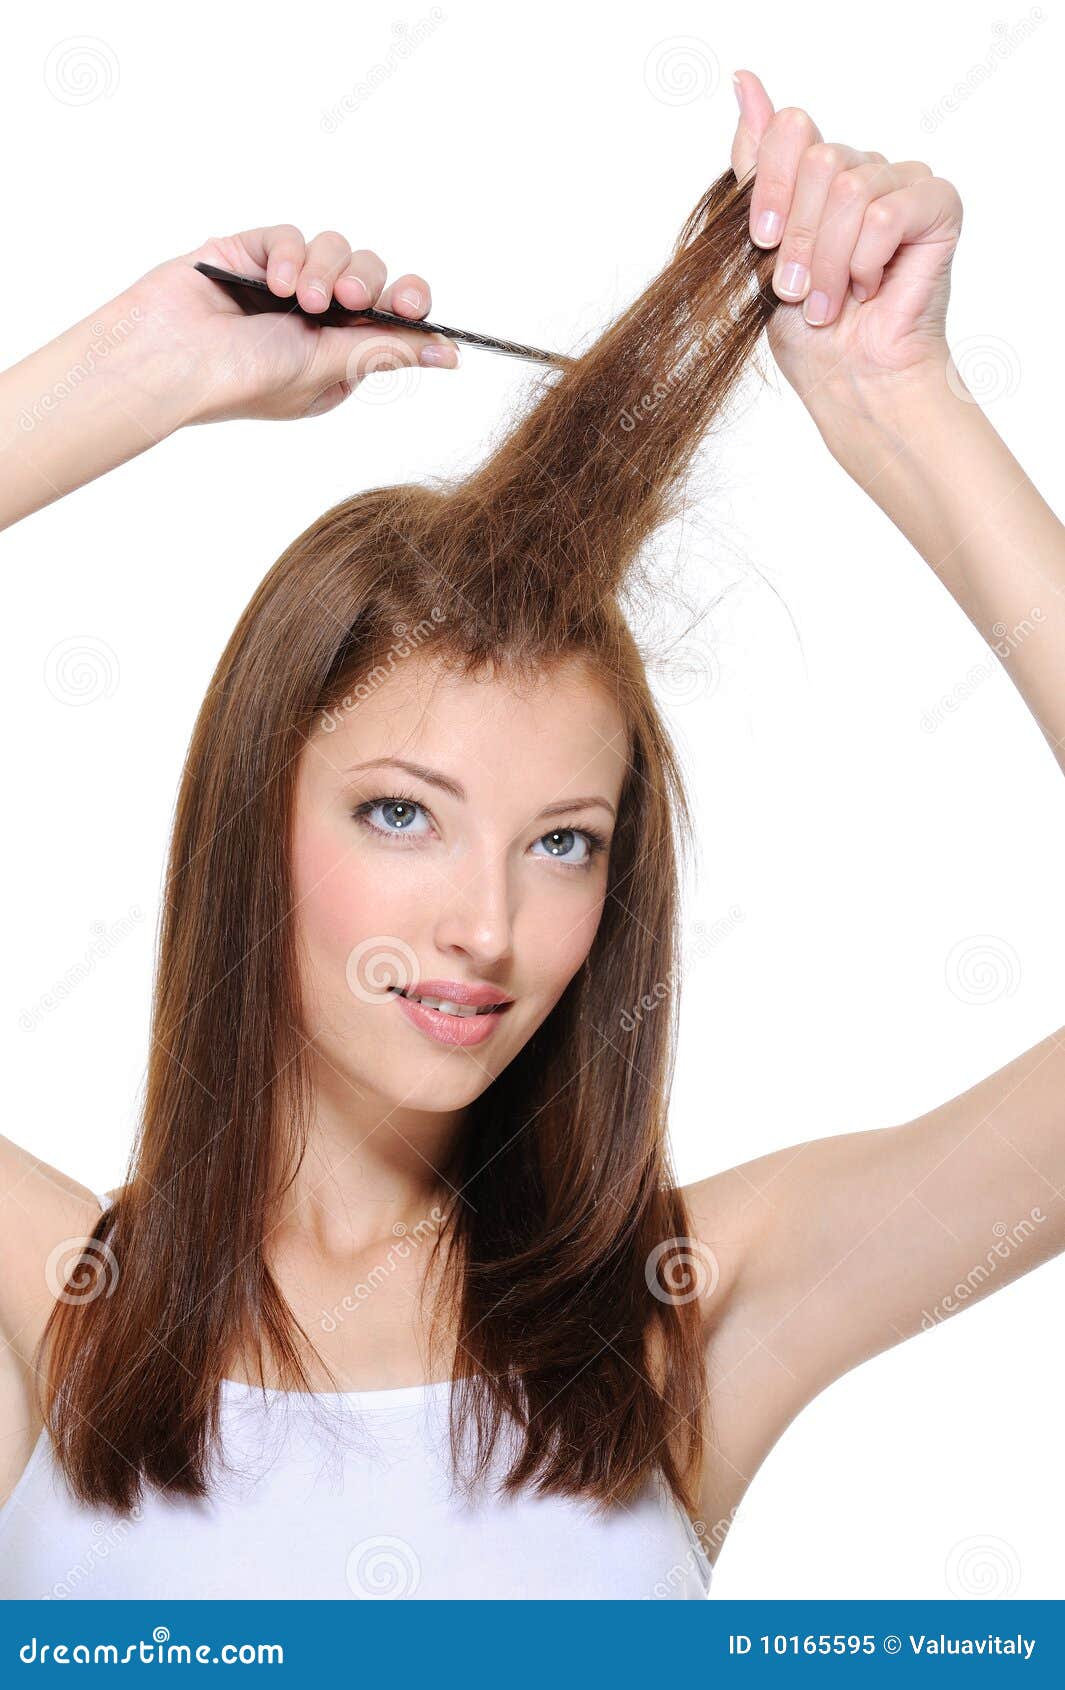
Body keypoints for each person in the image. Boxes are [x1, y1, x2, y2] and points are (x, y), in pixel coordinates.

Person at [1, 69, 1062, 1600]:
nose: (484, 925)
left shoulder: (681, 1317)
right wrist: (134, 375)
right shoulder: (56, 1304)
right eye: (400, 814)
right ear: (252, 819)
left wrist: (906, 407)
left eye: (562, 841)